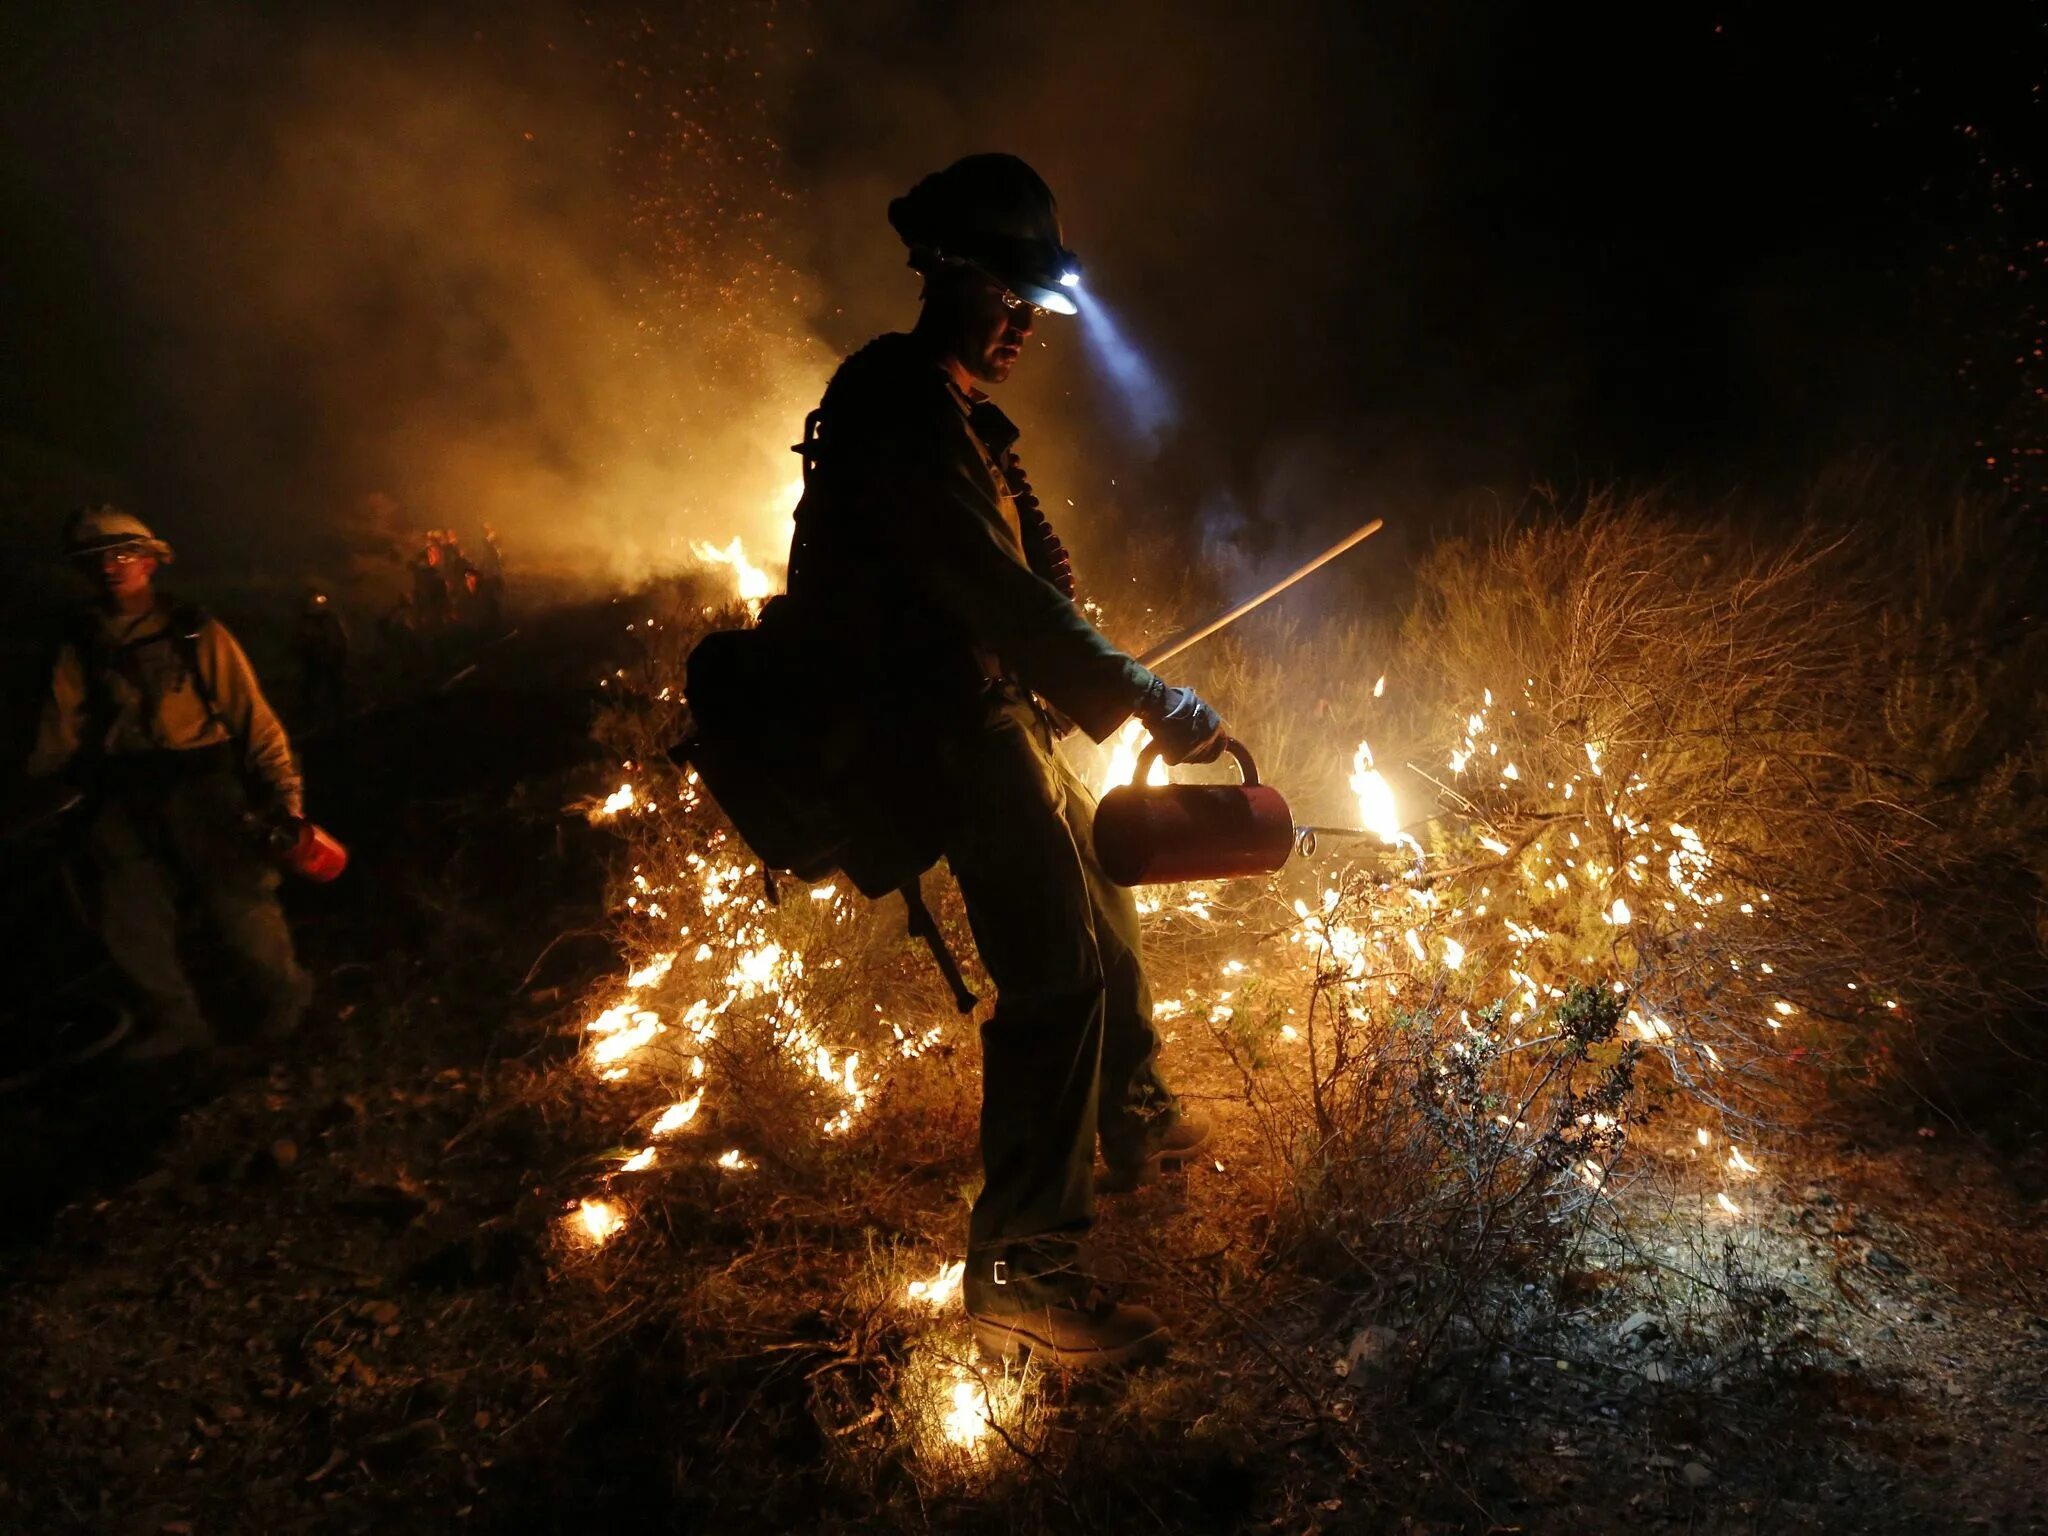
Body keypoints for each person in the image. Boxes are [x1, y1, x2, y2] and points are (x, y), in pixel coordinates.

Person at [785, 154, 1228, 1367]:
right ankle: (1024, 1269)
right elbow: (990, 591)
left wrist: (1094, 683)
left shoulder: (949, 406)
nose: (1026, 321)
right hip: (937, 725)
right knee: (1054, 972)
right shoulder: (897, 403)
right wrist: (1141, 697)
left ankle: (1130, 1115)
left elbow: (1018, 597)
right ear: (948, 272)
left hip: (990, 711)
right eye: (1009, 293)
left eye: (1035, 299)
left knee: (1104, 901)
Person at [25, 506, 313, 1061]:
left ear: (150, 563)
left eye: (123, 554)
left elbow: (252, 717)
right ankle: (178, 1024)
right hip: (122, 790)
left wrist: (285, 796)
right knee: (128, 915)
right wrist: (46, 797)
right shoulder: (80, 640)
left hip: (202, 782)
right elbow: (56, 729)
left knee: (239, 899)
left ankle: (286, 1000)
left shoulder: (194, 630)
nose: (110, 567)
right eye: (96, 558)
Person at [293, 587, 350, 724]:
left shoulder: (331, 618)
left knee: (334, 686)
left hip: (331, 658)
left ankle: (336, 713)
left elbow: (340, 637)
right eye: (315, 599)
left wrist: (340, 652)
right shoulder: (305, 620)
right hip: (313, 658)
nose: (318, 602)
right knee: (311, 685)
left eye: (321, 599)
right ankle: (309, 714)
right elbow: (301, 638)